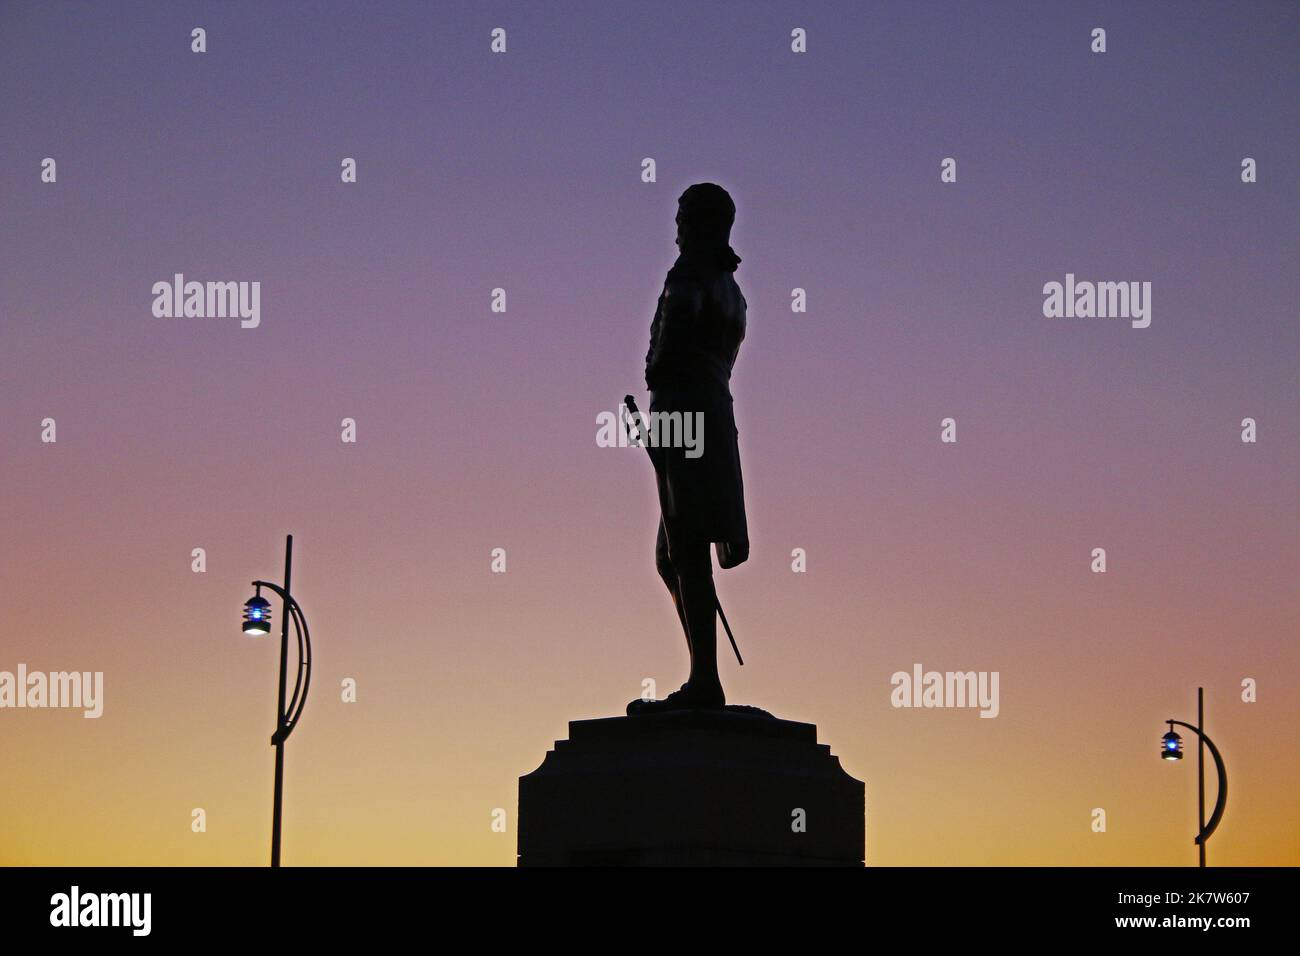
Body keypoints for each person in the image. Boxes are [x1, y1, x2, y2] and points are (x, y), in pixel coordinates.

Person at [628, 183, 749, 713]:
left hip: (684, 414)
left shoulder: (689, 279)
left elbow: (667, 357)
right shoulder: (733, 292)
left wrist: (665, 429)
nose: (676, 229)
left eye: (683, 218)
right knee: (673, 552)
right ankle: (703, 675)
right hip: (713, 415)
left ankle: (706, 681)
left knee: (684, 548)